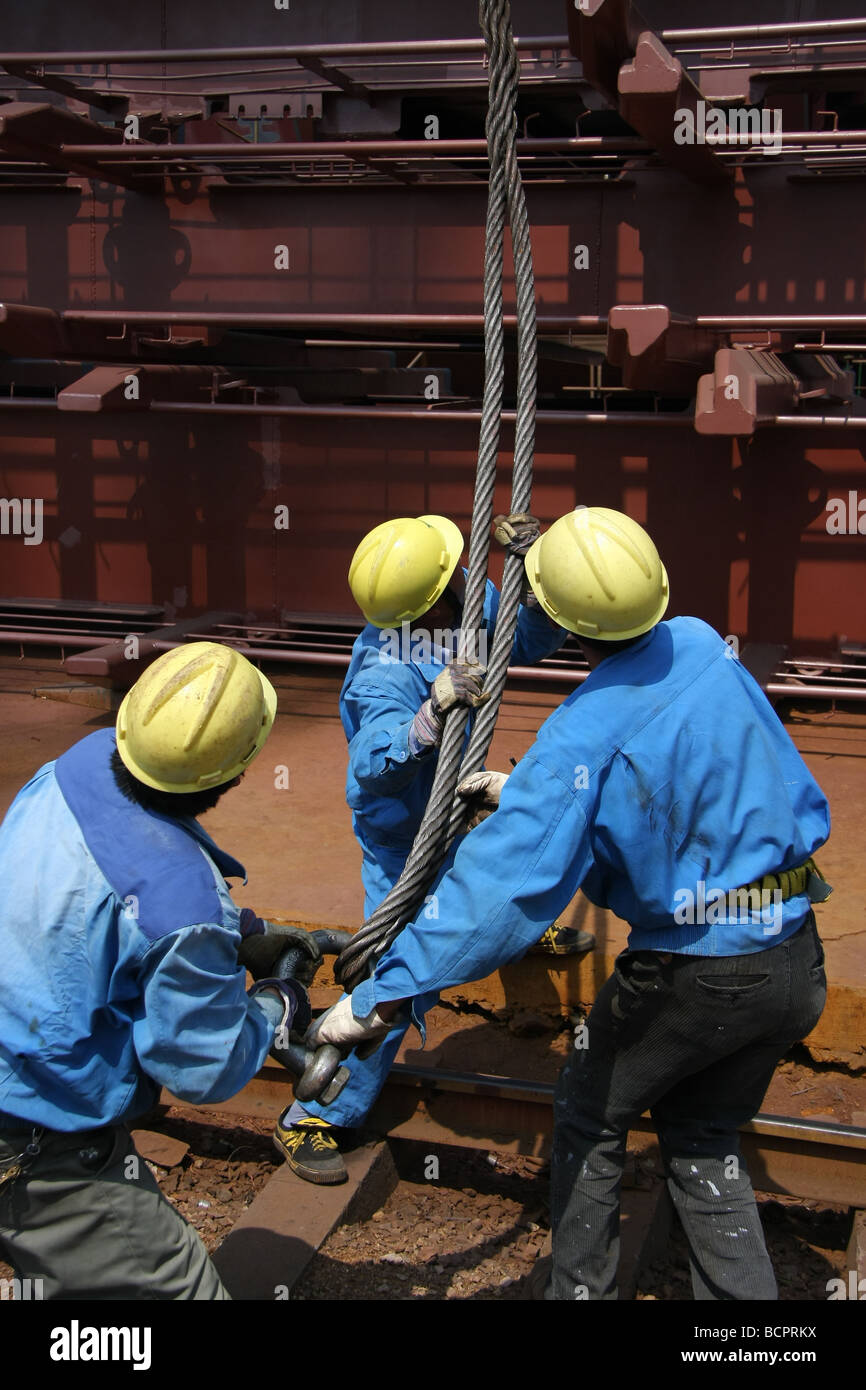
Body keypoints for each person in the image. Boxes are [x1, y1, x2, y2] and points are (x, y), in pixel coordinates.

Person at [310, 506, 831, 1300]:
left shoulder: (577, 738)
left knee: (590, 1115)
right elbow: (711, 764)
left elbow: (493, 898)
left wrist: (379, 996)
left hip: (698, 969)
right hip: (794, 951)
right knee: (700, 1135)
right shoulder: (699, 642)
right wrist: (531, 788)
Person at [274, 512, 584, 1184]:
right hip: (404, 838)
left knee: (519, 849)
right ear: (430, 597)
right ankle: (316, 1118)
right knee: (401, 977)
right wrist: (425, 719)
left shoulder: (467, 596)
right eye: (455, 576)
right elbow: (371, 766)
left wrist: (533, 579)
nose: (466, 580)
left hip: (455, 812)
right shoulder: (384, 670)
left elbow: (523, 641)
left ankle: (519, 931)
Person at [0, 641, 316, 1300]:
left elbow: (102, 905)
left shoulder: (74, 765)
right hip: (37, 1129)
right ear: (238, 771)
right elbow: (201, 1068)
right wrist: (275, 1007)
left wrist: (237, 935)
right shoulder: (183, 904)